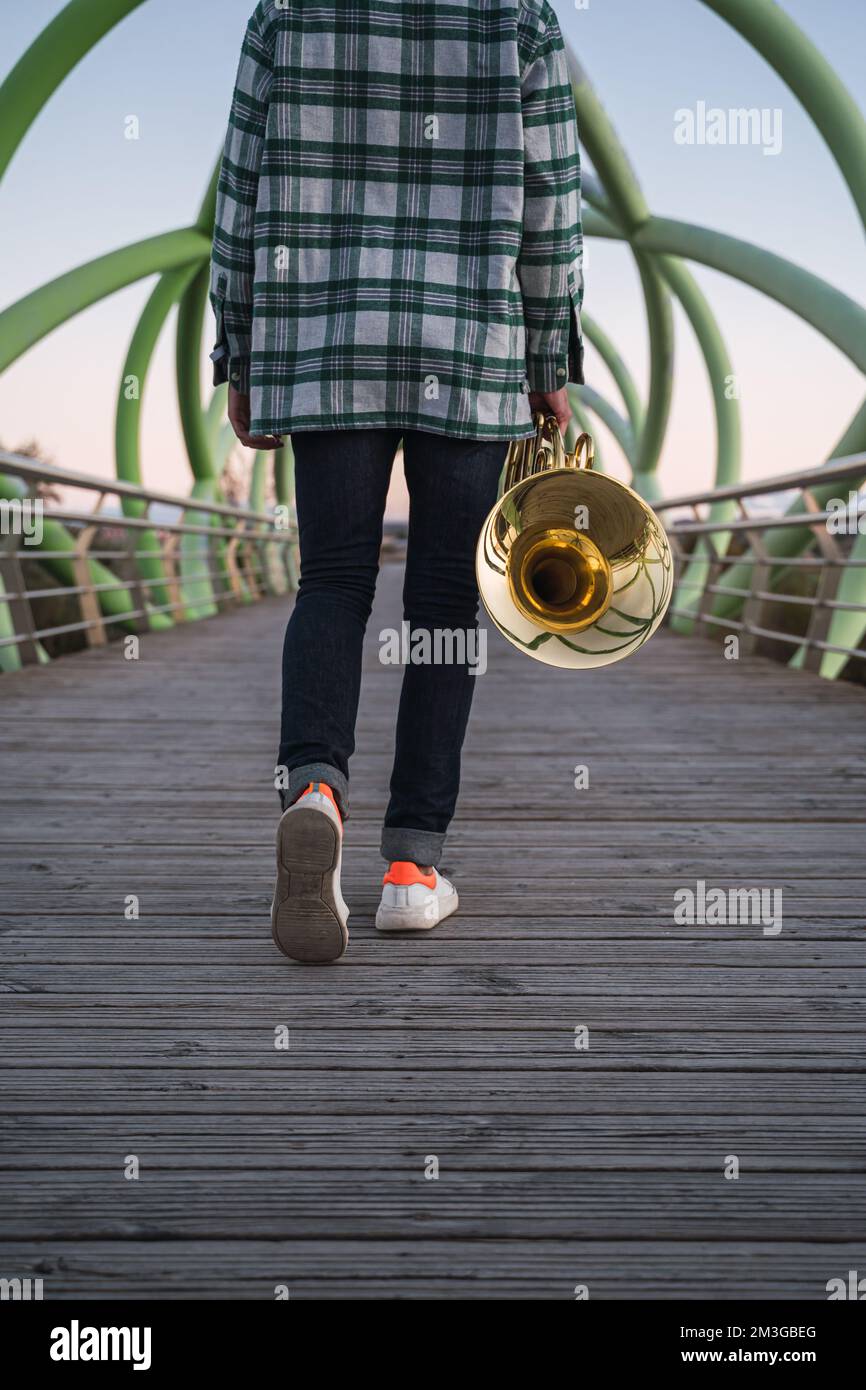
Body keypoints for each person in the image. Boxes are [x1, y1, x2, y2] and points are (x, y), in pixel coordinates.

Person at [211, 0, 584, 963]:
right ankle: (413, 871)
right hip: (466, 341)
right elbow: (550, 195)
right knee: (447, 601)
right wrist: (548, 356)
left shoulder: (286, 9)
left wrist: (240, 349)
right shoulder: (517, 13)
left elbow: (242, 178)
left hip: (325, 333)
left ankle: (315, 789)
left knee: (333, 580)